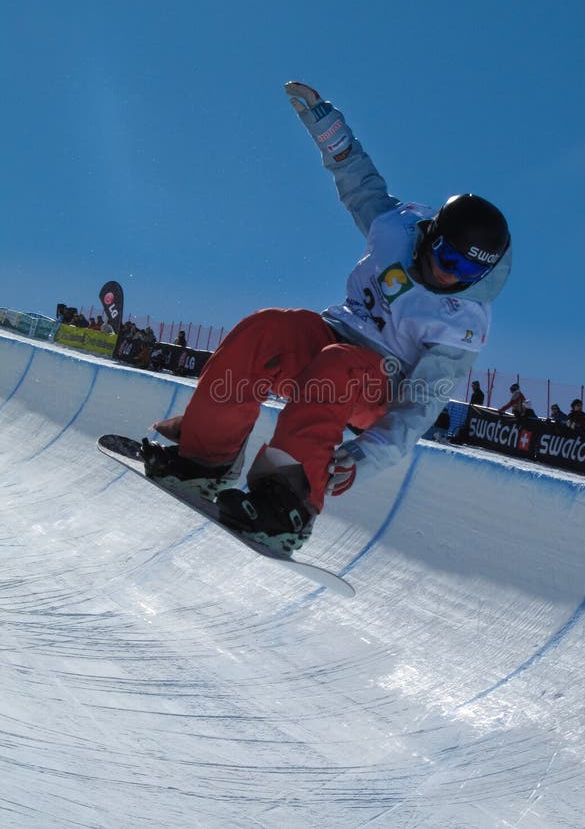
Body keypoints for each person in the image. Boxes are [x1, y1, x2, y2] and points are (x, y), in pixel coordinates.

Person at [143, 80, 512, 554]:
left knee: (339, 365)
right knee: (268, 328)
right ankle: (204, 460)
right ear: (430, 235)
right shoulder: (397, 228)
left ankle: (287, 504)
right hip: (334, 337)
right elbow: (360, 182)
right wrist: (328, 127)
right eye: (447, 257)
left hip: (379, 384)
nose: (450, 275)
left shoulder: (464, 322)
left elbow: (420, 408)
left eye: (468, 270)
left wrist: (364, 454)